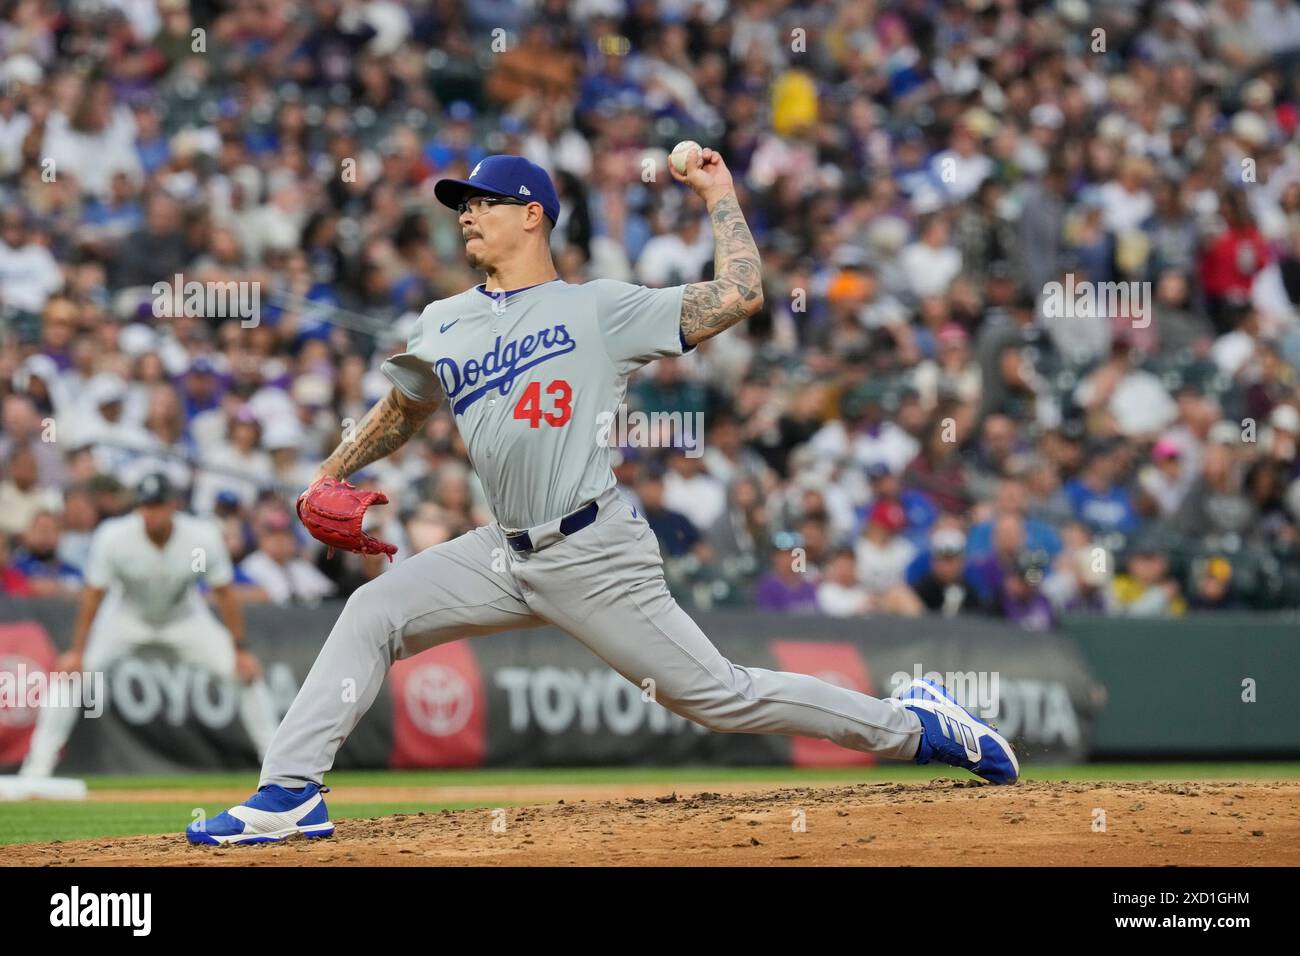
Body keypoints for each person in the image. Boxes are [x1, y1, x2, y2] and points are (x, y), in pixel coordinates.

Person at [189, 152, 1016, 846]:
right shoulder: (444, 319)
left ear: (535, 216)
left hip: (593, 549)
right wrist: (329, 473)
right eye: (463, 204)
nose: (468, 215)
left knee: (720, 696)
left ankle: (916, 727)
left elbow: (740, 294)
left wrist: (717, 193)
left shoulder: (599, 308)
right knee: (371, 615)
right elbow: (406, 406)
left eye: (486, 202)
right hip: (501, 549)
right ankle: (291, 791)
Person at [18, 474, 278, 778]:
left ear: (173, 506)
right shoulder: (113, 536)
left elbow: (224, 594)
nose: (149, 513)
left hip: (184, 617)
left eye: (156, 505)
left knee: (244, 673)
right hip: (126, 617)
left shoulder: (202, 537)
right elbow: (93, 596)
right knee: (70, 674)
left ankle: (276, 766)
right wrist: (77, 651)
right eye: (144, 505)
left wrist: (241, 649)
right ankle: (36, 769)